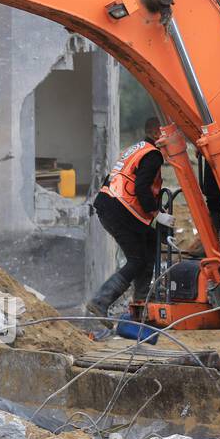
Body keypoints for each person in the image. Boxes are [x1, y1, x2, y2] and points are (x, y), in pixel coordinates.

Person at [86, 118, 174, 316]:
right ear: (155, 134)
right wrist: (156, 214)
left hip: (111, 206)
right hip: (119, 210)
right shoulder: (152, 155)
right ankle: (101, 301)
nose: (169, 140)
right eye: (165, 134)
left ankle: (141, 302)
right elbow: (141, 187)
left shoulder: (137, 149)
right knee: (137, 259)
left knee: (150, 242)